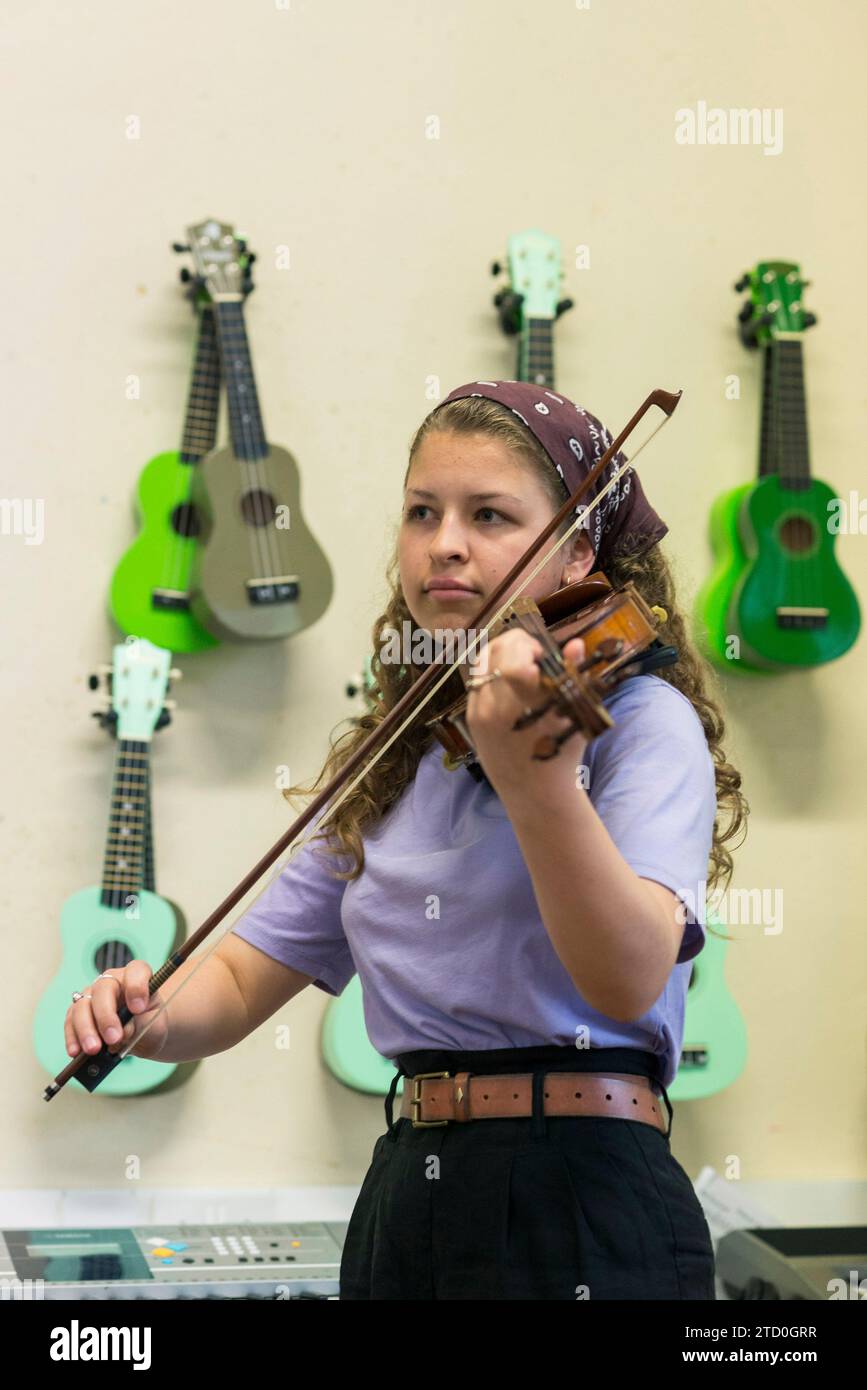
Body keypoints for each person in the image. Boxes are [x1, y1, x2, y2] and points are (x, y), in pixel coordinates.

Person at [64, 380, 748, 1301]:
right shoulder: (395, 755)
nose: (445, 543)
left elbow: (627, 977)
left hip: (585, 1191)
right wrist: (142, 1014)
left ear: (577, 549)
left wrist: (538, 785)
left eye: (491, 515)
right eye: (421, 512)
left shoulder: (638, 718)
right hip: (410, 1195)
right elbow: (231, 982)